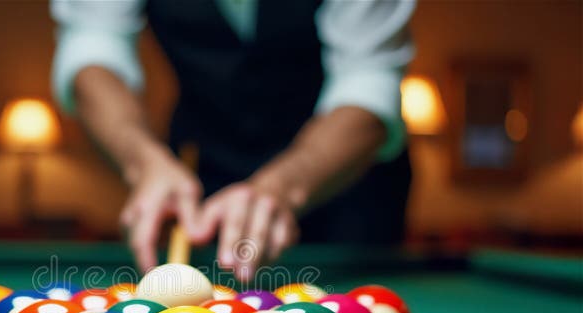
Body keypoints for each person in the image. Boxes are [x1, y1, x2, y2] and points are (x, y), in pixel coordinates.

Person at [51, 0, 416, 280]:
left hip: (345, 187)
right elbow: (93, 45)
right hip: (199, 179)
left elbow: (370, 79)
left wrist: (285, 185)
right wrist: (143, 160)